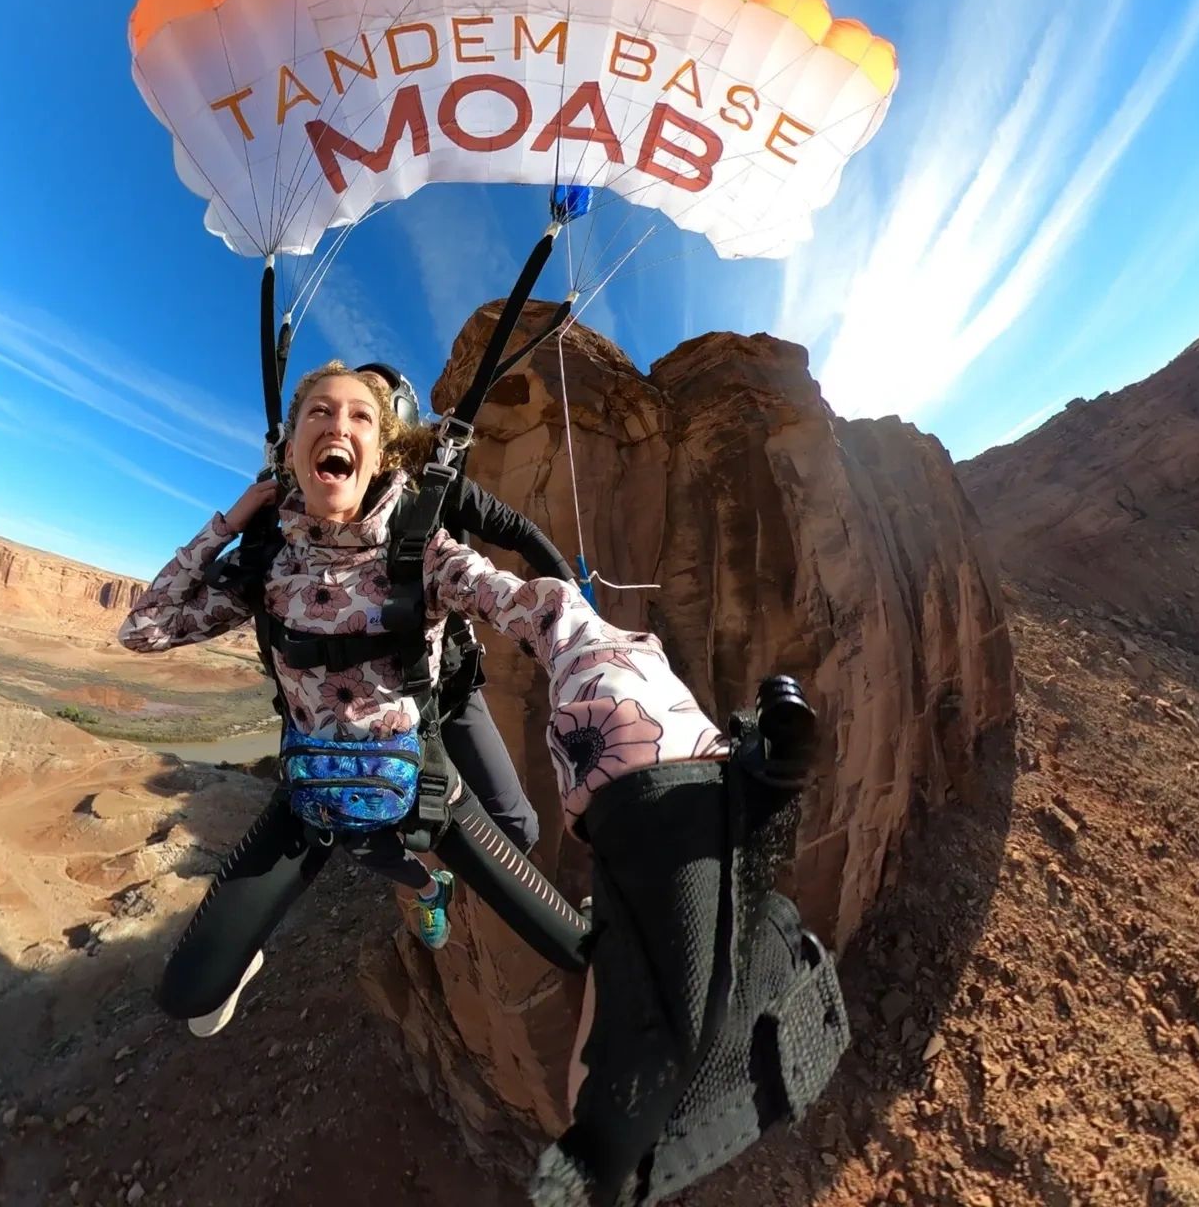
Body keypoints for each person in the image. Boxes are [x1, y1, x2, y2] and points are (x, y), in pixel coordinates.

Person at [121, 361, 846, 1204]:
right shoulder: (265, 562)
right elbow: (145, 628)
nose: (338, 426)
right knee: (190, 996)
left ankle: (687, 1044)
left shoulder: (422, 551)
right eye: (317, 412)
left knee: (587, 946)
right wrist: (234, 518)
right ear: (290, 449)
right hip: (311, 794)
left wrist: (648, 727)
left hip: (424, 784)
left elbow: (537, 608)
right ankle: (413, 883)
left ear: (382, 450)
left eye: (360, 416)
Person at [353, 360, 565, 853]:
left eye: (373, 404)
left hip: (445, 685)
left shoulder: (435, 487)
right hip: (362, 699)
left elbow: (517, 533)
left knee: (517, 827)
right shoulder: (320, 502)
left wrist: (570, 596)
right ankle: (426, 878)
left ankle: (450, 855)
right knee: (362, 825)